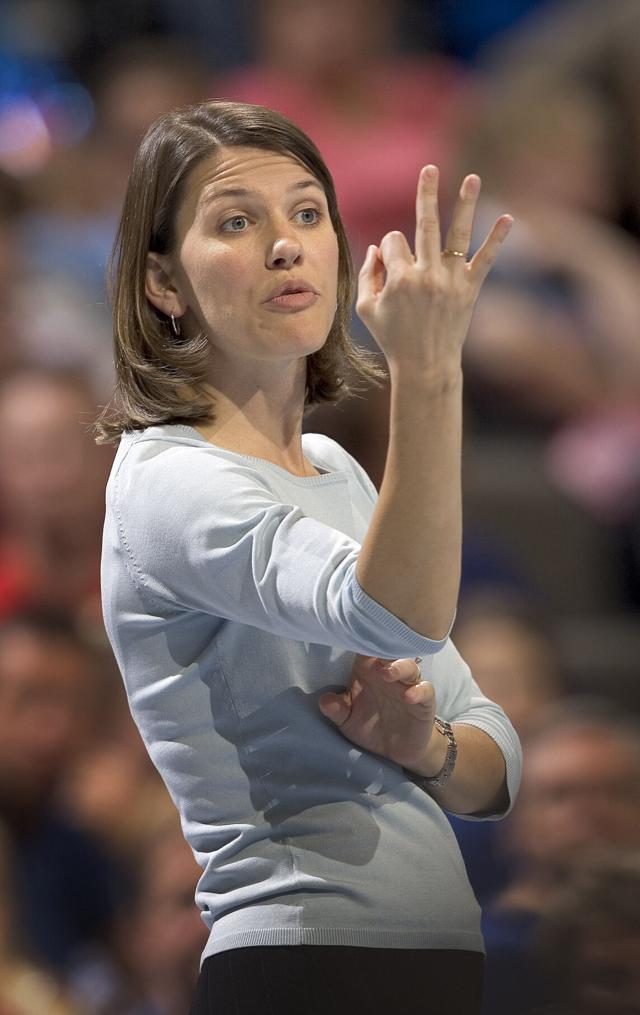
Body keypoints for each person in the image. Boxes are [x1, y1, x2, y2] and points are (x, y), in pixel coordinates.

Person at [97, 100, 521, 1014]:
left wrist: (423, 744)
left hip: (441, 968)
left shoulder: (333, 467)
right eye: (235, 222)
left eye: (306, 212)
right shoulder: (166, 480)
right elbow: (396, 614)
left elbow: (495, 761)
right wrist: (429, 369)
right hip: (299, 965)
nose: (286, 245)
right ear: (163, 283)